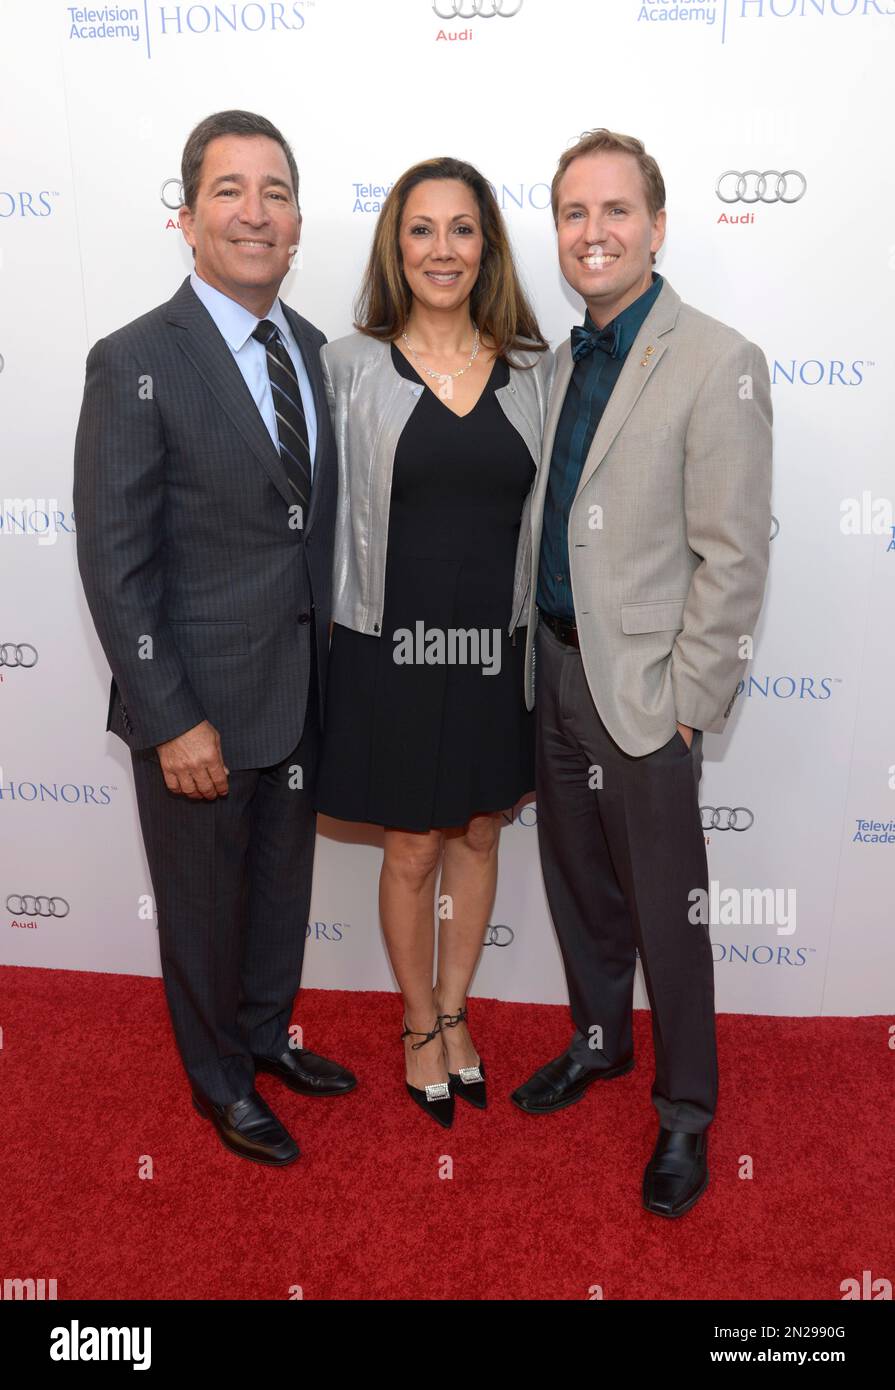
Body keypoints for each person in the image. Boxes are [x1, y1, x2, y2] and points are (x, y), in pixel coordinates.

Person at [73, 109, 356, 1168]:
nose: (255, 211)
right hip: (194, 707)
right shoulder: (135, 358)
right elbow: (115, 557)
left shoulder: (315, 352)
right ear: (187, 217)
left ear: (294, 222)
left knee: (281, 895)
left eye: (274, 191)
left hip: (296, 697)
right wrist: (170, 713)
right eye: (229, 190)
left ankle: (263, 1038)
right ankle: (220, 1083)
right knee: (201, 908)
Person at [510, 129, 772, 1217]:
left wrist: (685, 708)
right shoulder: (564, 358)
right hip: (557, 673)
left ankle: (685, 1115)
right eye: (574, 213)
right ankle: (600, 1042)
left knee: (669, 914)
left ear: (656, 227)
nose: (593, 231)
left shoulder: (718, 358)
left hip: (647, 697)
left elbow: (735, 554)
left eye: (615, 211)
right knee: (580, 891)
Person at [315, 157, 553, 1128]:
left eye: (462, 229)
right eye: (422, 229)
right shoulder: (346, 366)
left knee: (483, 830)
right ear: (395, 245)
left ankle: (457, 1010)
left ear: (487, 245)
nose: (441, 249)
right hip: (389, 649)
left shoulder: (540, 370)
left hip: (497, 650)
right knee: (412, 842)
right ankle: (418, 1023)